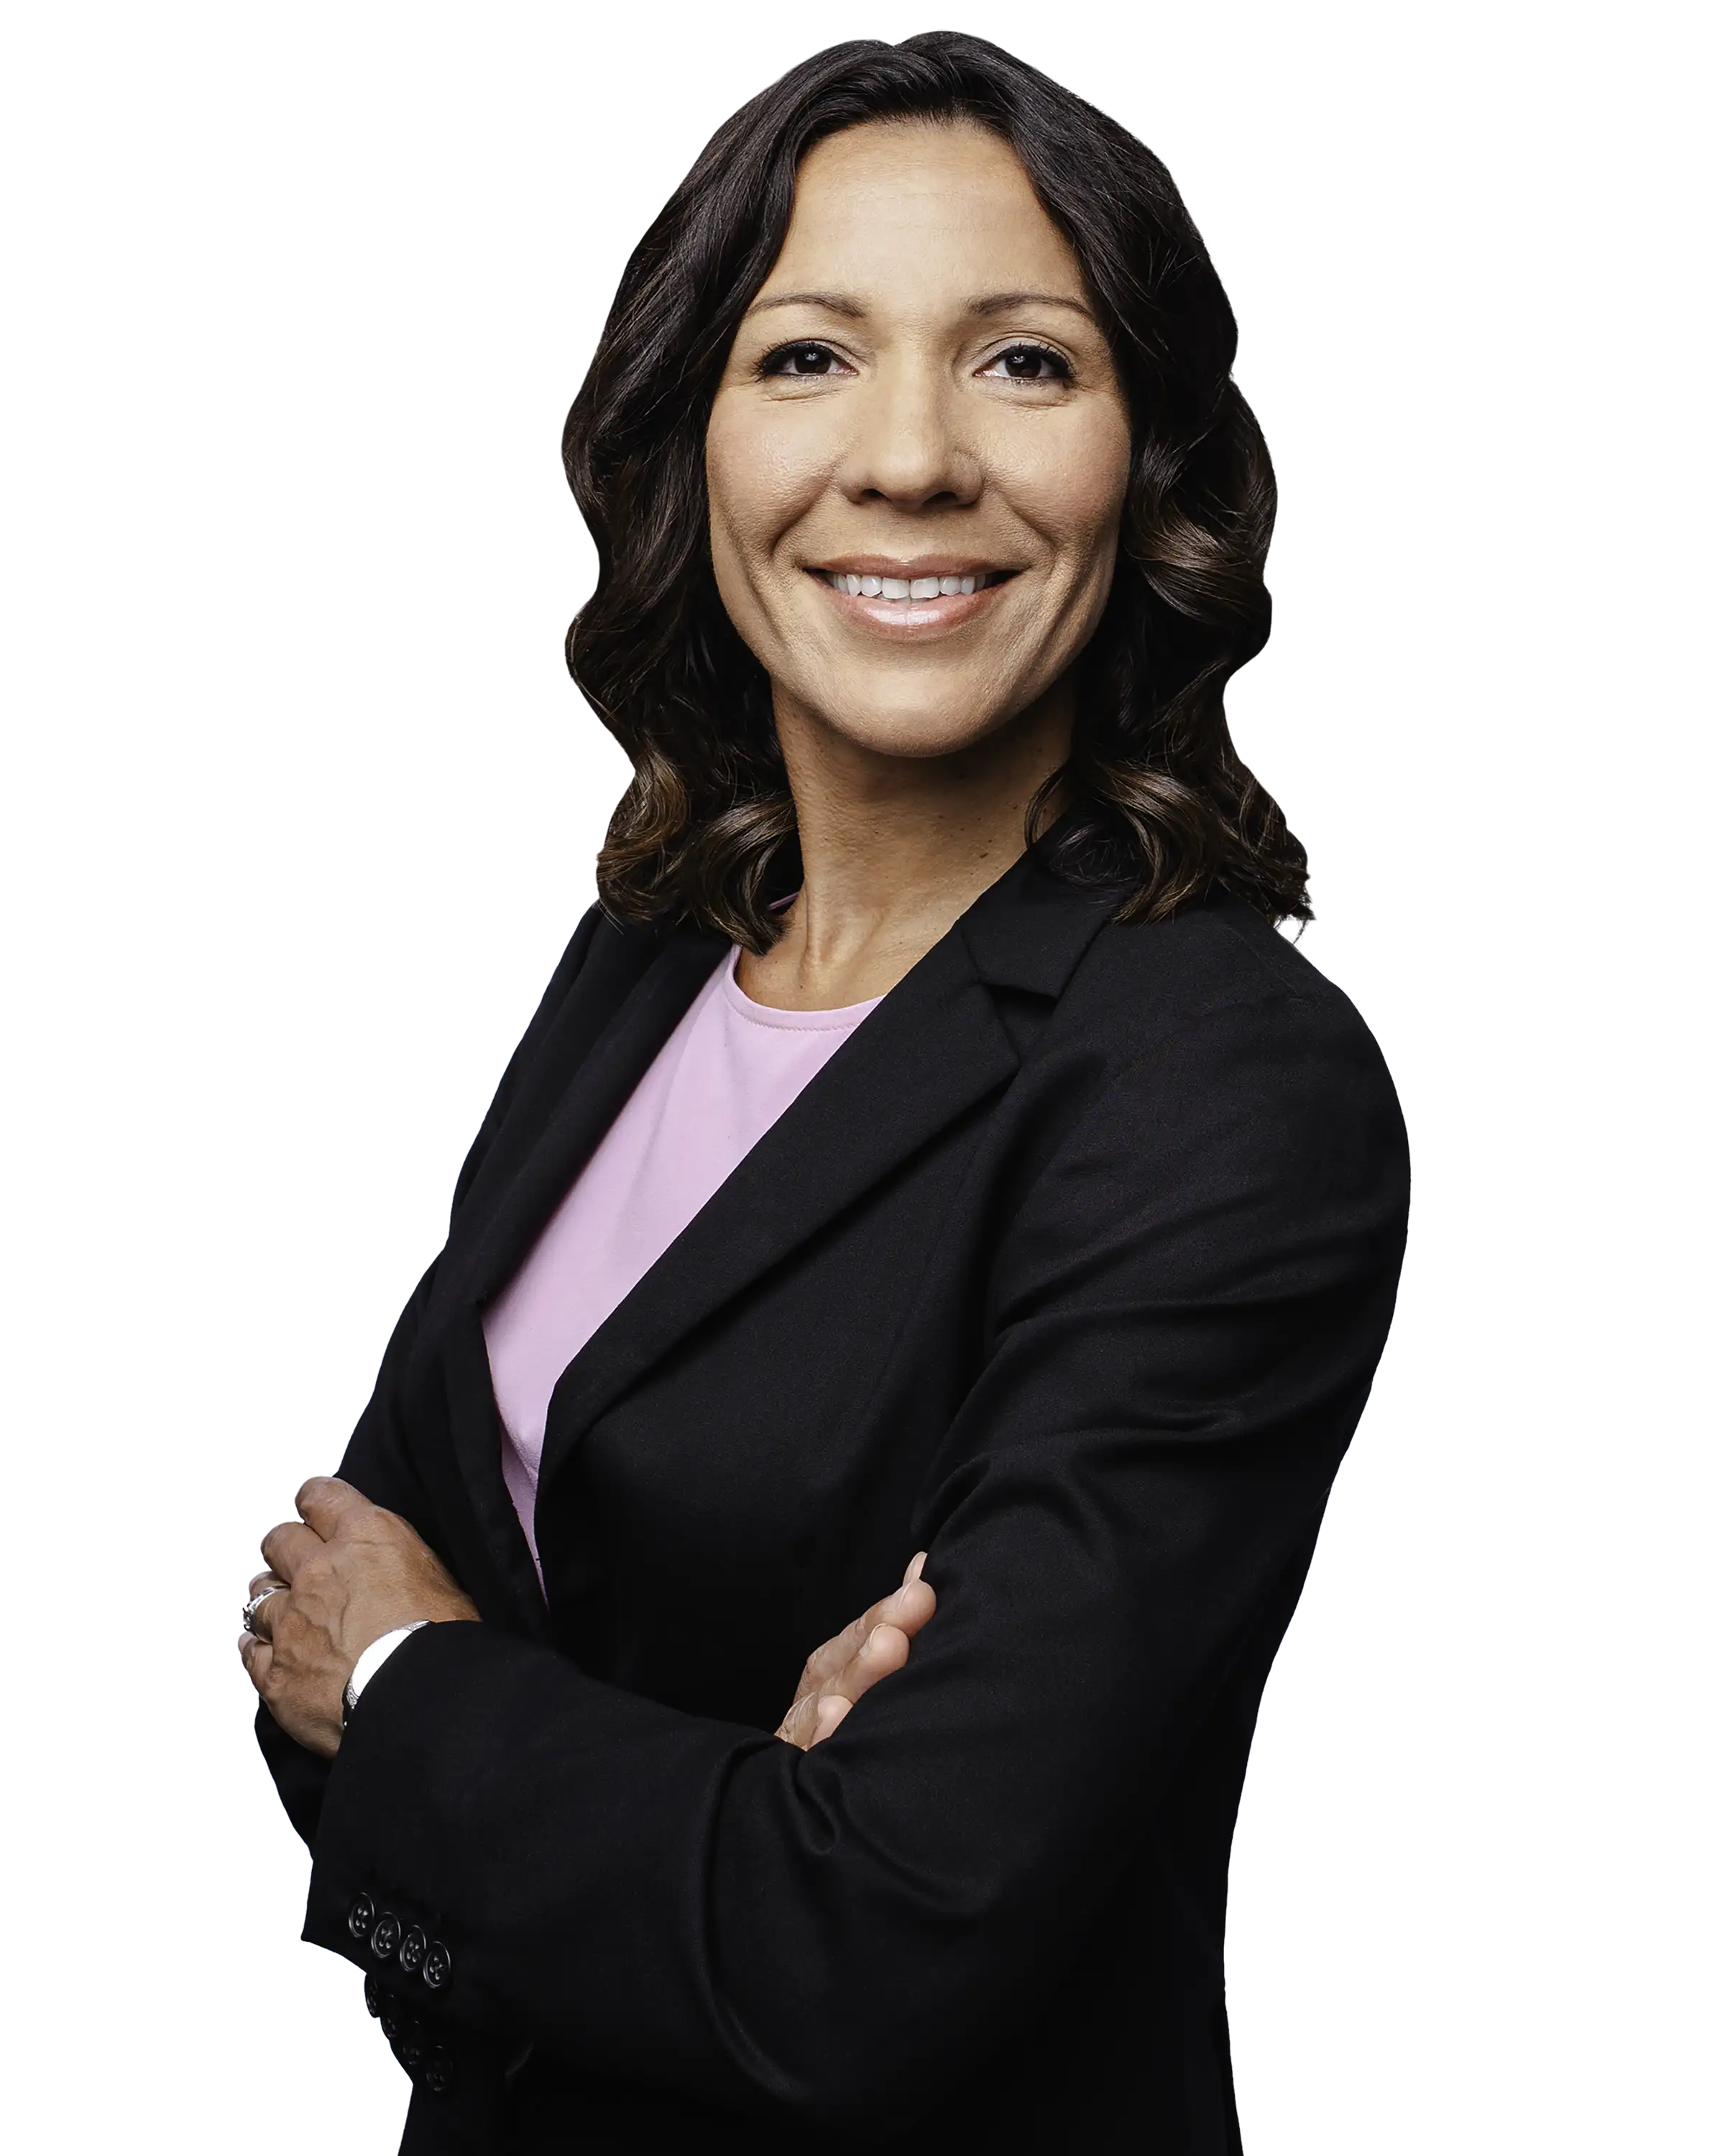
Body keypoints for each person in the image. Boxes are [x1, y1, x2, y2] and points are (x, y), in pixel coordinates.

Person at [238, 29, 1410, 2155]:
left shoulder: (1225, 1081)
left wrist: (430, 1692)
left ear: (1146, 458)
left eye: (1023, 363)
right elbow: (327, 1606)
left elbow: (872, 1938)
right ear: (690, 439)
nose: (910, 459)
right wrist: (690, 1803)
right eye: (807, 358)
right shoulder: (649, 952)